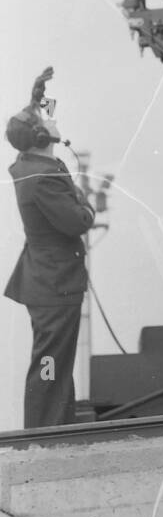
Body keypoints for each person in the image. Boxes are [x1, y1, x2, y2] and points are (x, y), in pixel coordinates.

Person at [4, 69, 95, 428]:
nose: (51, 118)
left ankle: (53, 429)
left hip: (48, 282)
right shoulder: (41, 178)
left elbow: (39, 120)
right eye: (44, 118)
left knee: (54, 362)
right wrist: (86, 205)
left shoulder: (33, 163)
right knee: (50, 364)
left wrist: (38, 94)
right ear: (40, 135)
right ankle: (43, 434)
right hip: (55, 283)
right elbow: (78, 221)